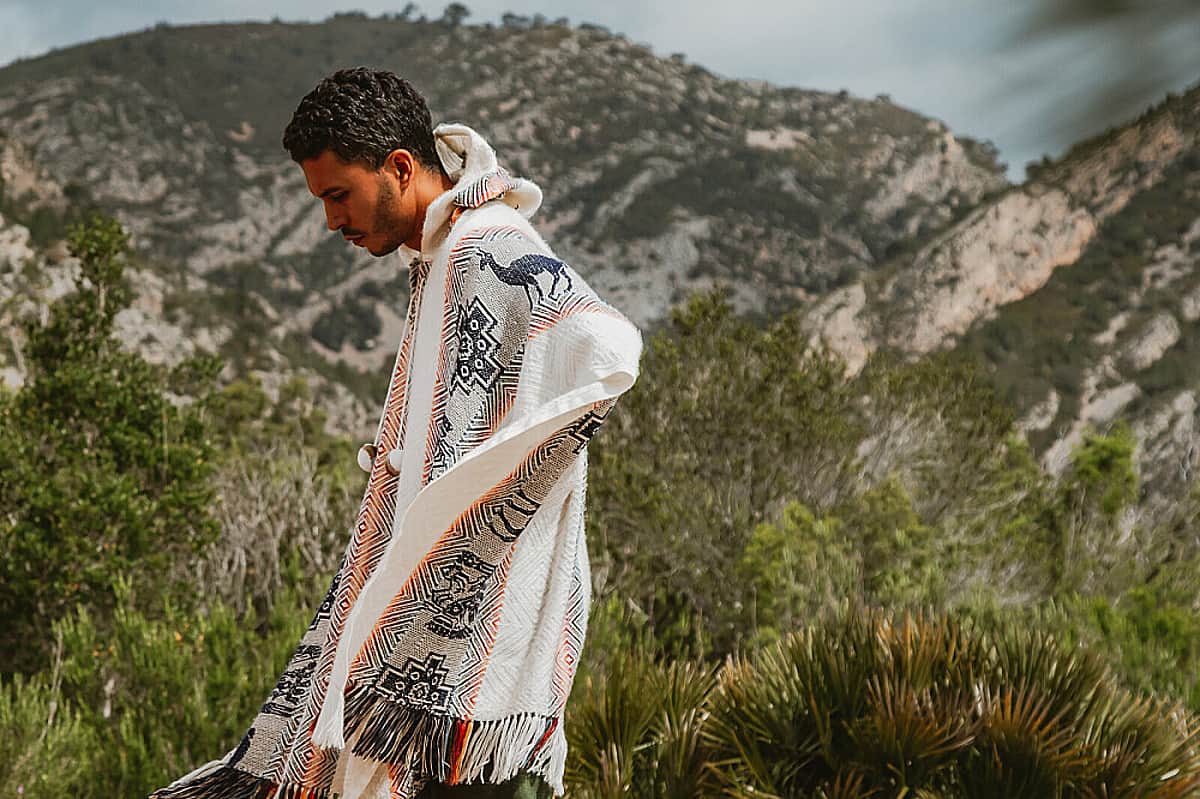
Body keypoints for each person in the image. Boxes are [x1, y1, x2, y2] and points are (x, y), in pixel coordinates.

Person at [150, 68, 641, 799]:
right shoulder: (442, 259)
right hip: (448, 674)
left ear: (400, 168)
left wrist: (482, 495)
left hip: (476, 680)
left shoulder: (486, 248)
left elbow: (601, 342)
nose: (330, 221)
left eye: (337, 195)